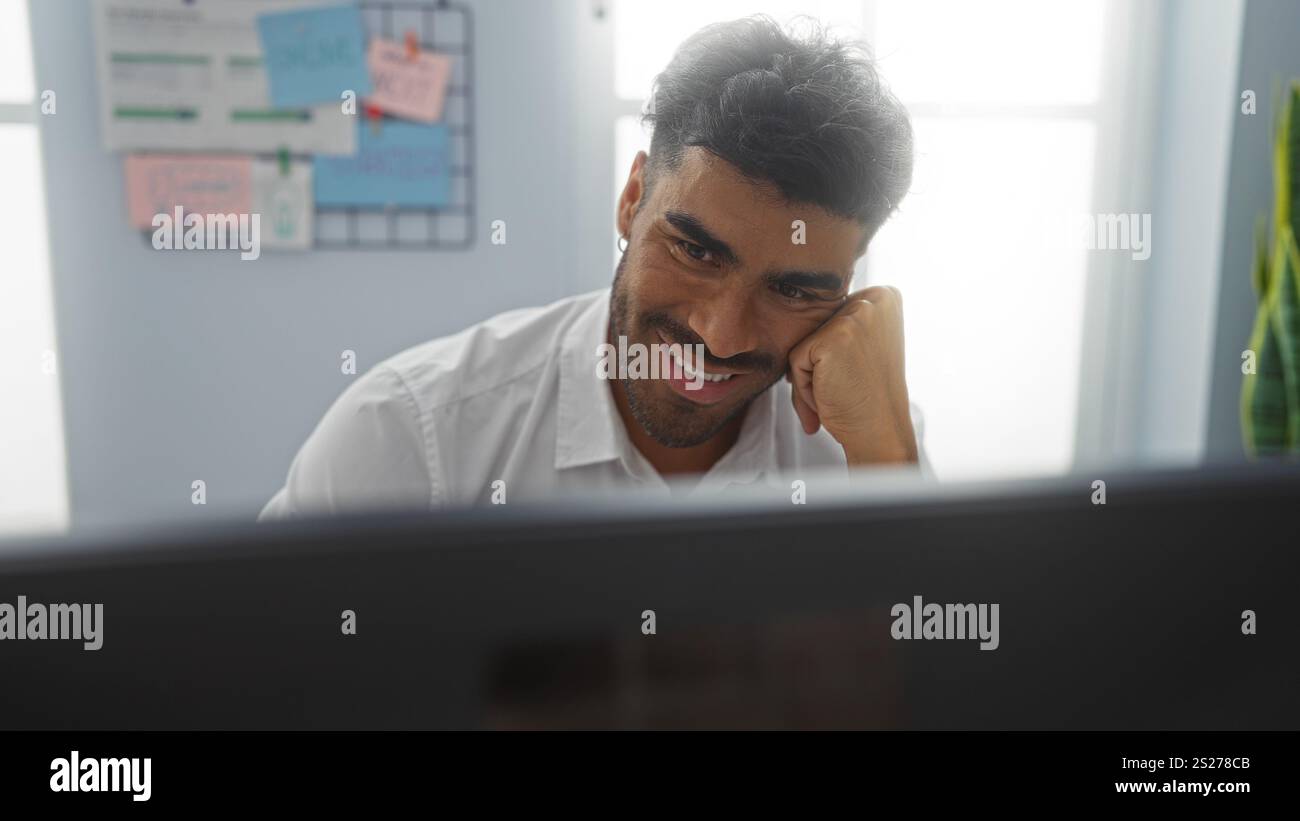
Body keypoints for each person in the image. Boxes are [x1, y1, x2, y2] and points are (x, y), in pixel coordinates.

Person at [260, 16, 925, 517]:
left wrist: (889, 464)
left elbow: (945, 683)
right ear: (633, 198)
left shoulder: (862, 437)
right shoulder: (409, 436)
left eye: (792, 289)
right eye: (696, 251)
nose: (721, 337)